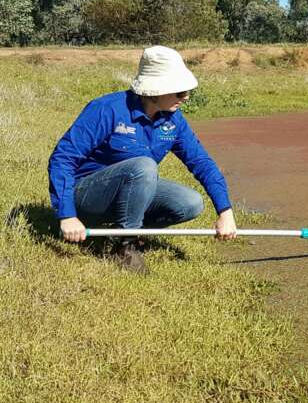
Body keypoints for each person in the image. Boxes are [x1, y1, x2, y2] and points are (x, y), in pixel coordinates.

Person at [48, 45, 237, 274]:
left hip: (128, 192)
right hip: (86, 195)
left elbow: (202, 163)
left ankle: (120, 233)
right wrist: (67, 215)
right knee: (144, 166)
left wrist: (225, 213)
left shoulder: (173, 121)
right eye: (178, 92)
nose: (185, 97)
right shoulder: (107, 109)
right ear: (155, 90)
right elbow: (62, 159)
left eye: (186, 91)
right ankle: (123, 247)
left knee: (191, 203)